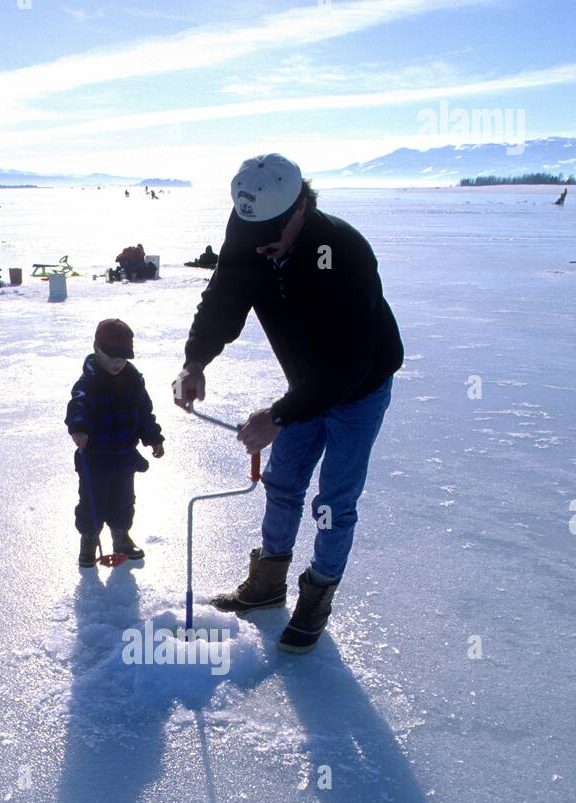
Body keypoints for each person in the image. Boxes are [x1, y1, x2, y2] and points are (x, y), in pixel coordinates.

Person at [173, 153, 404, 653]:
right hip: (303, 386)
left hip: (359, 387)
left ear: (302, 205)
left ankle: (316, 598)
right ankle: (267, 585)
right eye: (256, 231)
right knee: (282, 482)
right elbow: (223, 299)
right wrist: (196, 360)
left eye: (276, 230)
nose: (264, 243)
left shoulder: (341, 251)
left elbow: (350, 364)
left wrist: (280, 415)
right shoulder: (248, 232)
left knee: (333, 502)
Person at [66, 318, 165, 567]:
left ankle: (121, 537)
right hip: (95, 456)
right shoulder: (88, 383)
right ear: (96, 349)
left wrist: (153, 438)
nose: (118, 362)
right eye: (111, 355)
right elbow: (78, 405)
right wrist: (79, 428)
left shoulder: (133, 381)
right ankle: (89, 540)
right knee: (92, 501)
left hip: (124, 456)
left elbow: (144, 412)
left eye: (123, 356)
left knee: (124, 500)